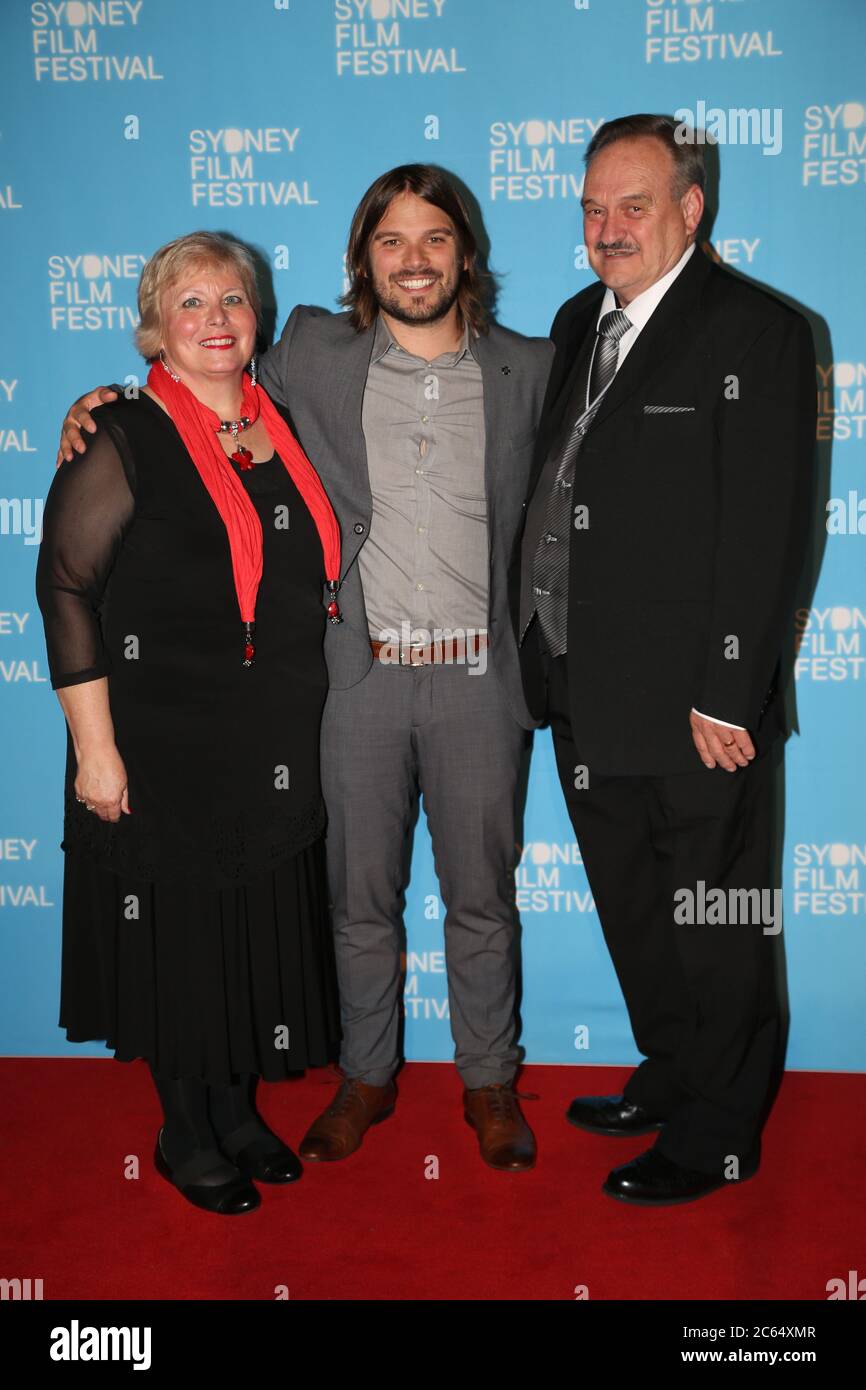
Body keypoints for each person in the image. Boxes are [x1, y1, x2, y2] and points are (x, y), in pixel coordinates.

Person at [59, 165, 555, 1173]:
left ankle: (488, 1082)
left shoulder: (530, 367)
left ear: (465, 252)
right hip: (353, 682)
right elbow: (190, 399)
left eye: (433, 240)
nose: (413, 260)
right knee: (354, 900)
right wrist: (98, 402)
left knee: (481, 898)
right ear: (360, 260)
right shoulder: (312, 356)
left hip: (476, 682)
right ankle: (364, 1076)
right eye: (390, 242)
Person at [512, 114, 816, 1204]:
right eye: (592, 208)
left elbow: (766, 525)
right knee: (636, 908)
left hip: (697, 706)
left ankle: (721, 1131)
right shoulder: (568, 322)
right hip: (581, 687)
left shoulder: (753, 331)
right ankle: (676, 1071)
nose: (606, 227)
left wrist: (728, 693)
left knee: (714, 919)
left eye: (631, 205)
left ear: (691, 207)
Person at [39, 231, 343, 1215]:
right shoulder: (121, 433)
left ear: (256, 318)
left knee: (247, 932)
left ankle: (238, 1111)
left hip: (271, 741)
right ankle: (184, 1131)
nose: (216, 320)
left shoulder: (280, 424)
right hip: (160, 739)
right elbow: (67, 587)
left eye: (232, 301)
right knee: (180, 940)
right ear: (154, 330)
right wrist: (97, 751)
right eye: (191, 305)